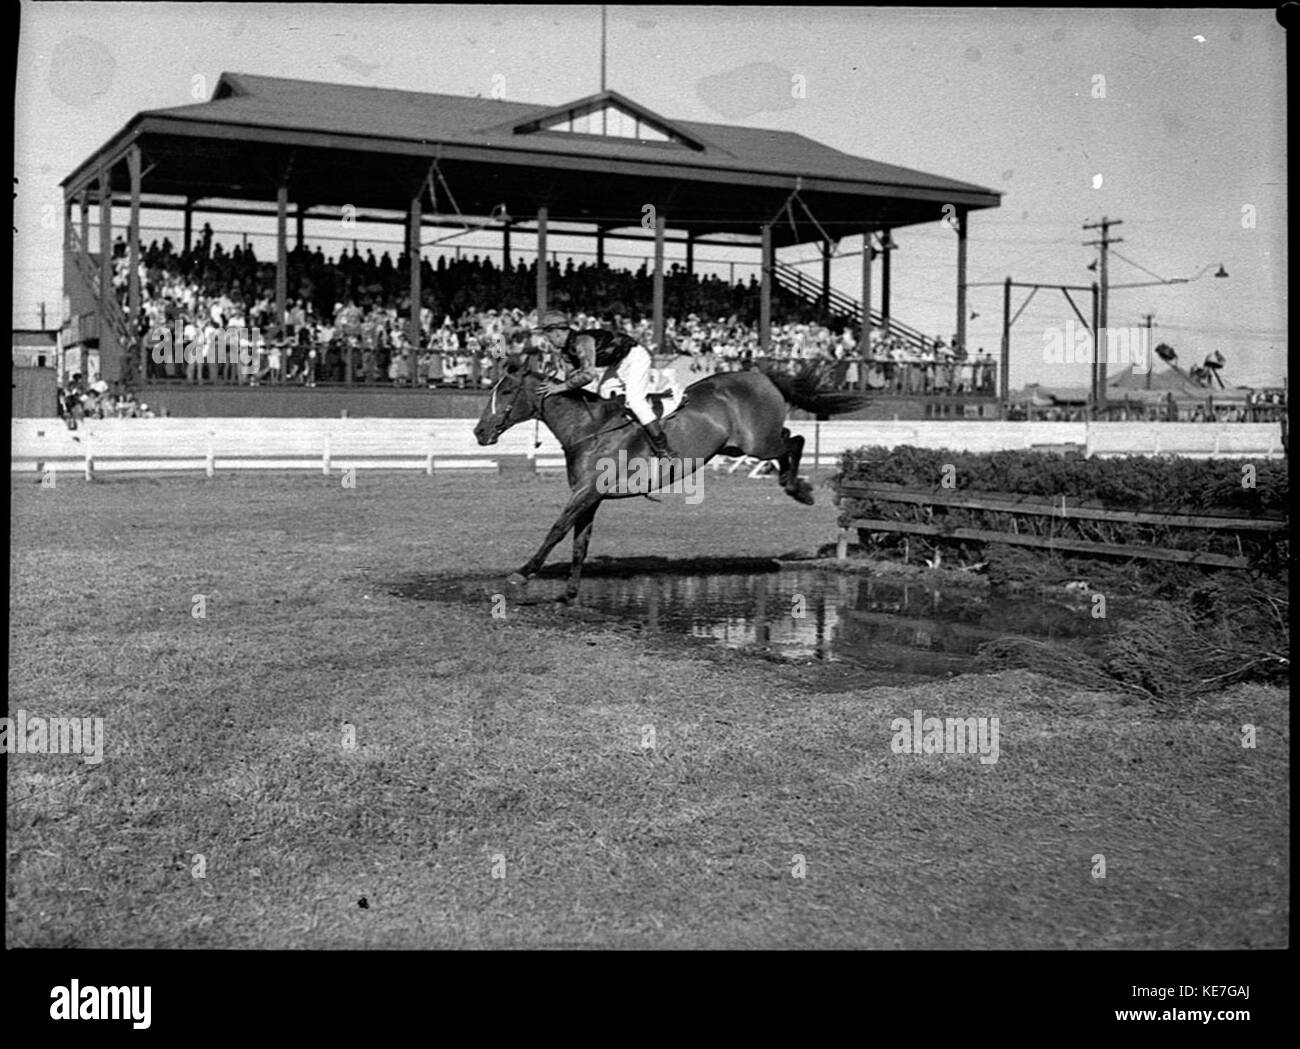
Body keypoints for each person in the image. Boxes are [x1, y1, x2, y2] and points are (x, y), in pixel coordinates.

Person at [533, 308, 677, 459]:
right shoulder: (565, 352)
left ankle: (664, 448)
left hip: (634, 357)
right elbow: (571, 380)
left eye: (547, 333)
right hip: (617, 364)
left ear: (557, 331)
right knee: (604, 394)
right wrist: (553, 382)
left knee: (635, 401)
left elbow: (588, 375)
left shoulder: (582, 341)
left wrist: (559, 387)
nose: (547, 338)